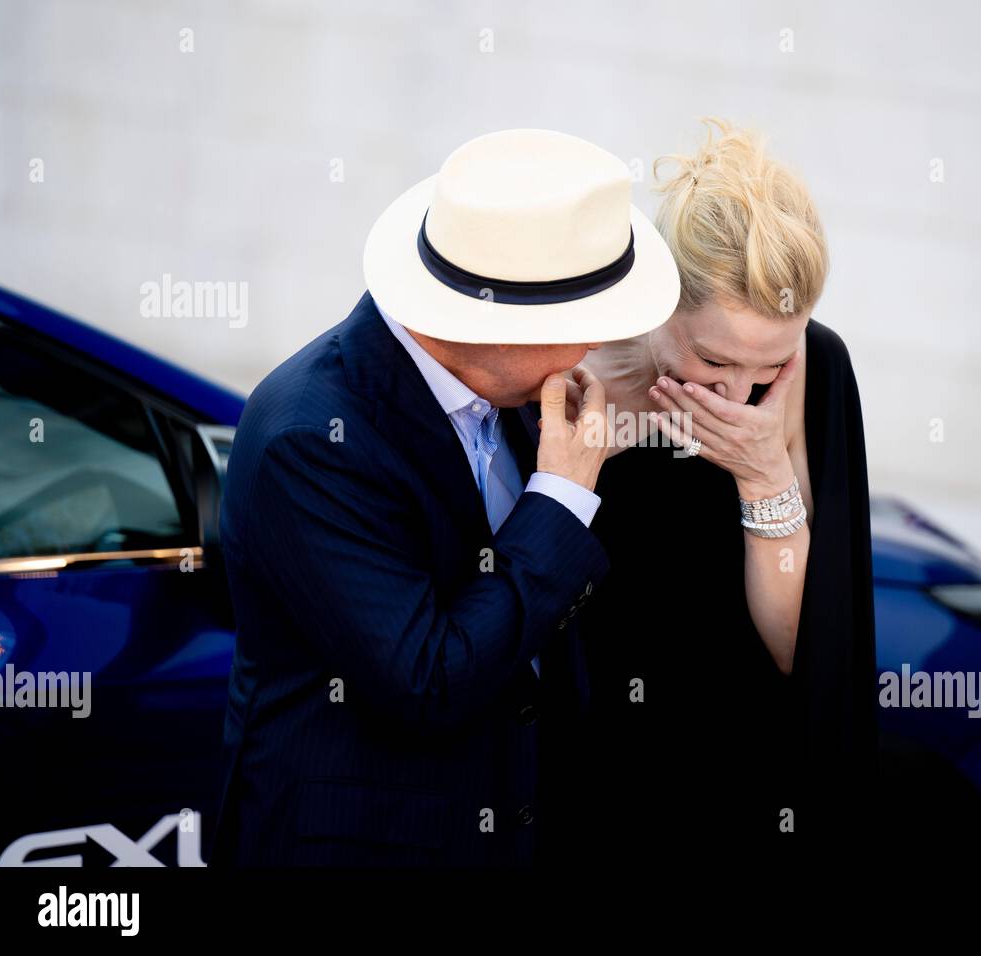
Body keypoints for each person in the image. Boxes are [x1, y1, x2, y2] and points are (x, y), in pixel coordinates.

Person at [207, 129, 680, 866]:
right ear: (494, 324)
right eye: (579, 328)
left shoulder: (523, 389)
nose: (588, 352)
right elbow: (428, 682)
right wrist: (559, 494)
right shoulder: (308, 438)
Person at [570, 118, 878, 866]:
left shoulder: (819, 374)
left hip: (739, 782)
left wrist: (764, 477)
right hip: (581, 767)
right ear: (657, 300)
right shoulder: (574, 361)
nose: (738, 391)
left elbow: (803, 655)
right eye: (713, 357)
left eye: (767, 365)